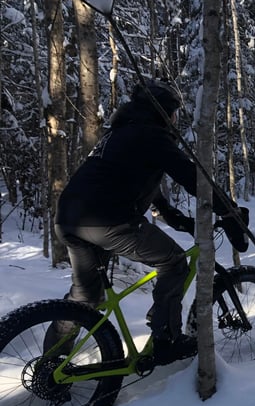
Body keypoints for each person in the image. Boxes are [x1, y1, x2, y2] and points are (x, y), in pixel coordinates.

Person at [46, 79, 244, 365]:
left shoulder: (122, 134)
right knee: (174, 261)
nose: (176, 118)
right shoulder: (152, 135)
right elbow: (193, 178)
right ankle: (166, 340)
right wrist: (230, 210)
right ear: (163, 111)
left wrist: (174, 217)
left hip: (69, 219)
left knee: (85, 298)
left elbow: (134, 181)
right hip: (108, 220)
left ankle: (51, 365)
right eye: (174, 111)